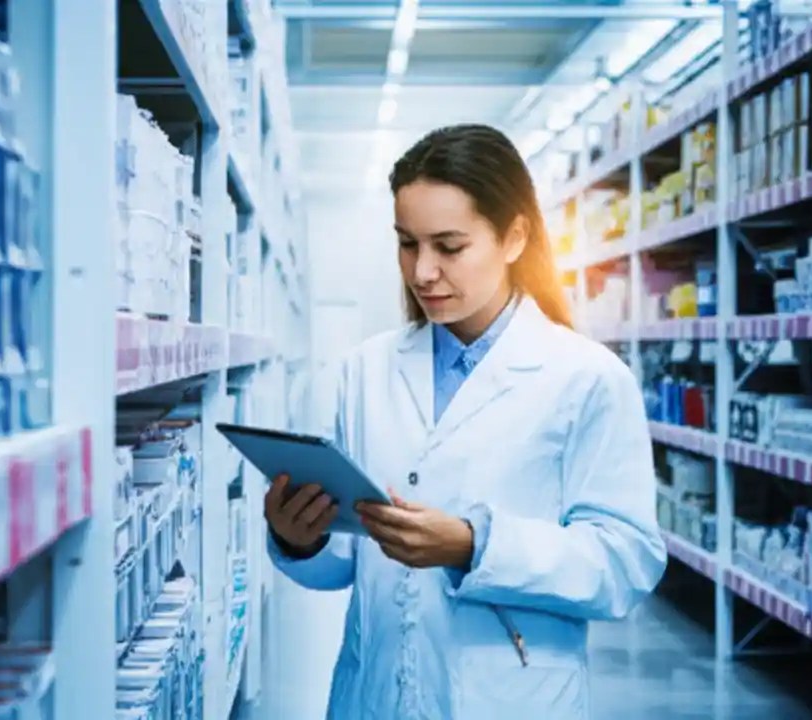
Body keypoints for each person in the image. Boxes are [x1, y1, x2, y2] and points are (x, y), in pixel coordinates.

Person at [263, 124, 666, 719]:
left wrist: (476, 547)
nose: (423, 271)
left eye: (449, 247)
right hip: (374, 696)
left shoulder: (585, 377)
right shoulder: (363, 373)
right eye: (407, 243)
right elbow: (349, 564)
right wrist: (301, 539)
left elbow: (624, 563)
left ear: (514, 238)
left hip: (511, 699)